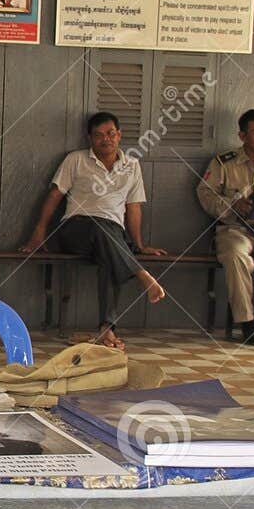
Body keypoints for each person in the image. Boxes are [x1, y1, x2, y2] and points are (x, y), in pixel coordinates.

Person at [23, 111, 166, 351]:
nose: (105, 139)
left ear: (119, 135)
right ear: (90, 138)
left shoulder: (132, 165)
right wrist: (39, 231)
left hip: (112, 234)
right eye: (99, 135)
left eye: (110, 134)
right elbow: (55, 196)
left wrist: (140, 245)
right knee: (105, 232)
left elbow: (133, 208)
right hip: (76, 229)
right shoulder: (76, 159)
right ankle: (142, 274)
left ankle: (106, 328)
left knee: (109, 250)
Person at [197, 109, 254, 344]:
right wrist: (233, 204)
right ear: (242, 136)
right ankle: (247, 322)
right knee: (235, 255)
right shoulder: (224, 163)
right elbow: (205, 194)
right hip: (234, 230)